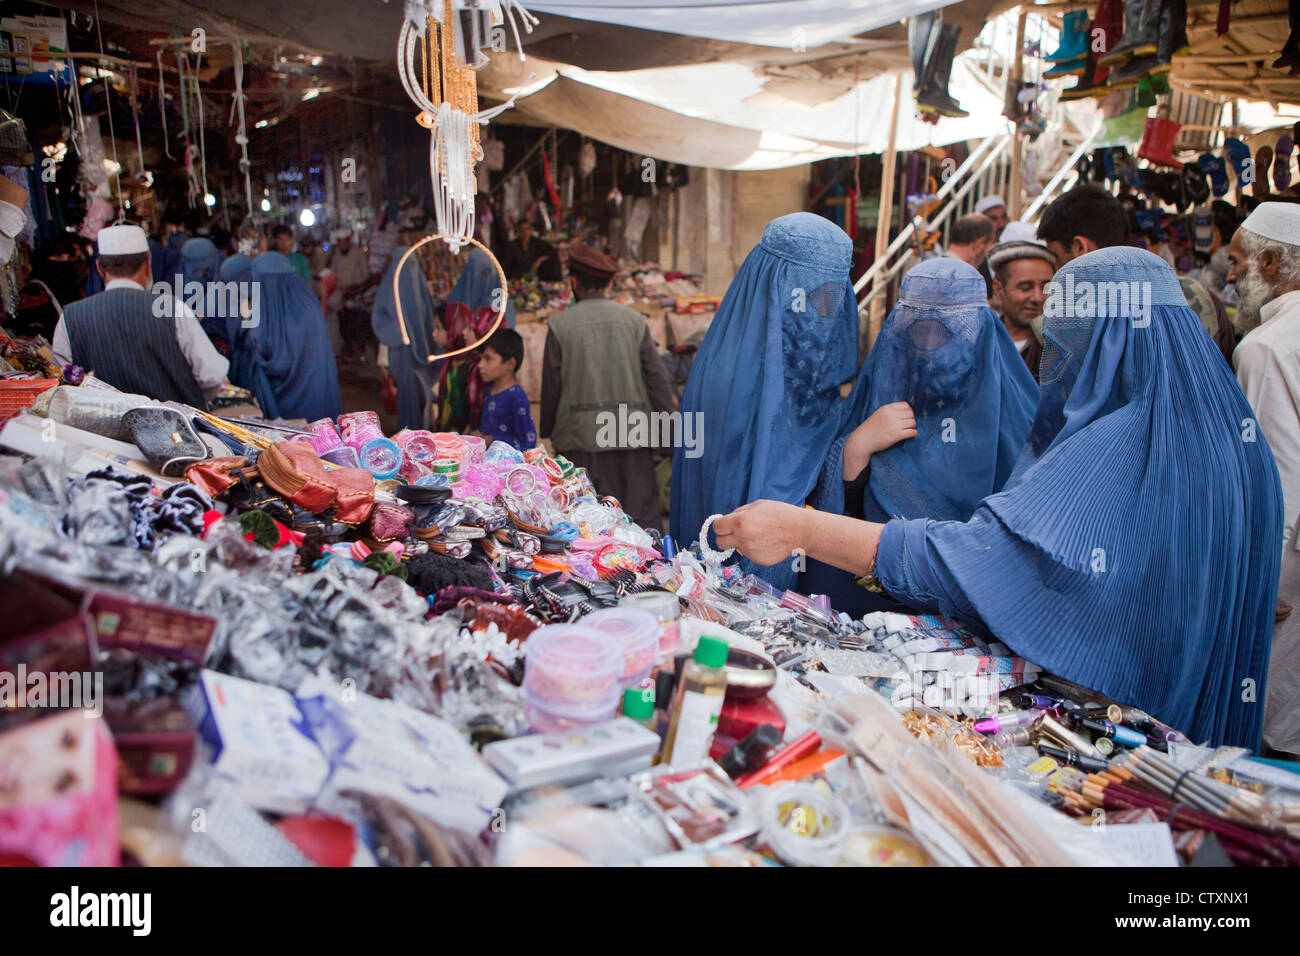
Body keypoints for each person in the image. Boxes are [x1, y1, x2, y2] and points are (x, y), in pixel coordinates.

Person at [716, 247, 1282, 750]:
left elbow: (990, 561)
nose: (1055, 370)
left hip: (1127, 729)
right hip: (1209, 739)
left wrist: (802, 530)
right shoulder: (1237, 440)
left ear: (1106, 344)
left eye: (1061, 351)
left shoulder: (1114, 446)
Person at [802, 257, 1038, 615]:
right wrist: (856, 447)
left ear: (978, 332)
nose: (928, 345)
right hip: (873, 615)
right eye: (917, 331)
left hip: (978, 622)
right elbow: (836, 517)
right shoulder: (879, 394)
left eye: (944, 332)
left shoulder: (1018, 415)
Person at [670, 212, 858, 585]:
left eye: (831, 300)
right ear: (776, 286)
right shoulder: (738, 376)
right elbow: (744, 498)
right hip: (746, 571)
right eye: (810, 297)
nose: (822, 314)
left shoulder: (791, 362)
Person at [1230, 201, 1300, 756]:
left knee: (1275, 725)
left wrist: (1263, 576)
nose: (1229, 276)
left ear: (1271, 263)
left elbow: (1276, 475)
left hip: (1288, 576)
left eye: (1237, 262)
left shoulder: (1267, 345)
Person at [543, 243, 675, 528]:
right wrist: (669, 440)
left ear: (573, 282)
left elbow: (551, 387)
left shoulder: (559, 326)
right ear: (610, 283)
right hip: (632, 438)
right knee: (640, 526)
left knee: (583, 525)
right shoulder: (635, 322)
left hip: (578, 443)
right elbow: (657, 380)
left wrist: (549, 430)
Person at [52, 225, 228, 407]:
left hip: (96, 434)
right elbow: (212, 375)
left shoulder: (70, 318)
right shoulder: (171, 308)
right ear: (147, 264)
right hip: (175, 432)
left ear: (99, 267)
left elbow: (61, 381)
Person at [242, 252, 341, 421]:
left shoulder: (264, 313)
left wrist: (246, 322)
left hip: (284, 414)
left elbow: (272, 358)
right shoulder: (310, 305)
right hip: (318, 403)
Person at [438, 247, 518, 432]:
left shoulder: (499, 300)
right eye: (478, 272)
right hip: (466, 376)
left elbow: (506, 336)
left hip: (495, 373)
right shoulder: (460, 300)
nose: (483, 277)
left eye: (487, 271)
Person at [372, 220, 441, 430]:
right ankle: (409, 436)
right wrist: (399, 335)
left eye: (411, 265)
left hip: (423, 352)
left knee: (426, 397)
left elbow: (429, 316)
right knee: (408, 397)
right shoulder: (387, 289)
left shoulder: (419, 286)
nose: (408, 271)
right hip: (401, 354)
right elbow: (379, 319)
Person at [987, 239, 1057, 378]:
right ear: (998, 288)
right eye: (1025, 288)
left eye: (1045, 288)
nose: (1037, 298)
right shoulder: (981, 345)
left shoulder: (1058, 350)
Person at [477, 328, 536, 452]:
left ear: (510, 363)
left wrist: (491, 440)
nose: (480, 365)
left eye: (488, 359)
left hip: (508, 467)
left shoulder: (517, 397)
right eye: (481, 358)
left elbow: (527, 442)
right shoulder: (489, 391)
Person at [328, 229, 372, 355]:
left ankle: (360, 346)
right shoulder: (337, 256)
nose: (341, 245)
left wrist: (354, 286)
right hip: (341, 293)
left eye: (343, 242)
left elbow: (365, 274)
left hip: (356, 292)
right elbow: (333, 273)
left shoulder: (358, 253)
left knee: (356, 319)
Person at [179, 238, 225, 338]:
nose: (199, 275)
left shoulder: (226, 282)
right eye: (194, 270)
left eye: (204, 270)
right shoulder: (180, 282)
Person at [503, 216, 561, 282]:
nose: (525, 232)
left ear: (531, 230)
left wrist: (540, 260)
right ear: (518, 231)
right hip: (519, 278)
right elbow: (508, 267)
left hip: (537, 277)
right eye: (522, 230)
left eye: (527, 229)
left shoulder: (537, 243)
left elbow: (552, 251)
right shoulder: (512, 246)